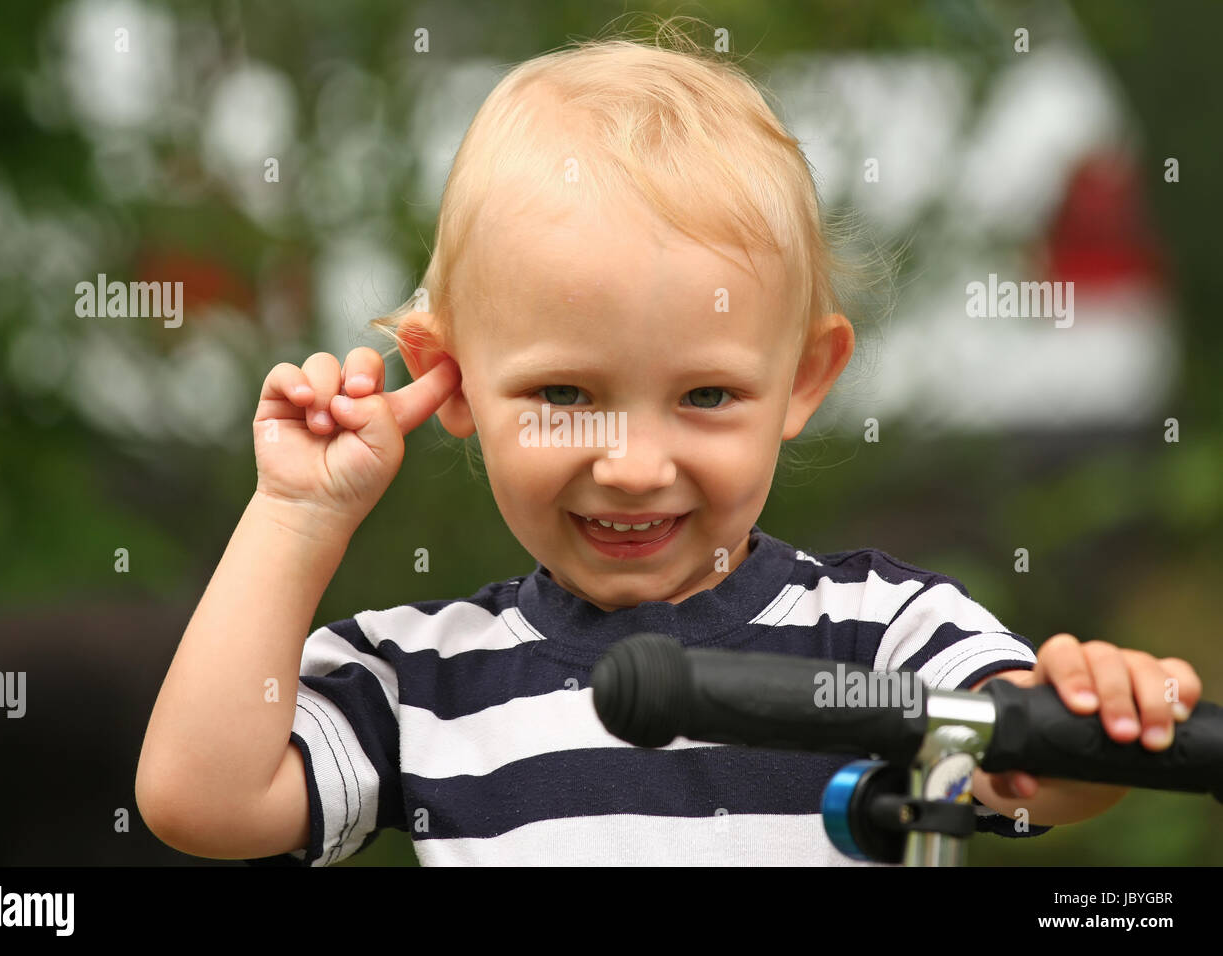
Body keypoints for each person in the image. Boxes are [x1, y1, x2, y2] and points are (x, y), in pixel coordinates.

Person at [135, 26, 1203, 866]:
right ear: (446, 379)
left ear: (803, 380)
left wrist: (1094, 712)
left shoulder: (883, 638)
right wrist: (298, 513)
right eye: (565, 391)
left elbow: (1041, 777)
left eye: (704, 394)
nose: (635, 463)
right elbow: (201, 798)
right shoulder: (429, 680)